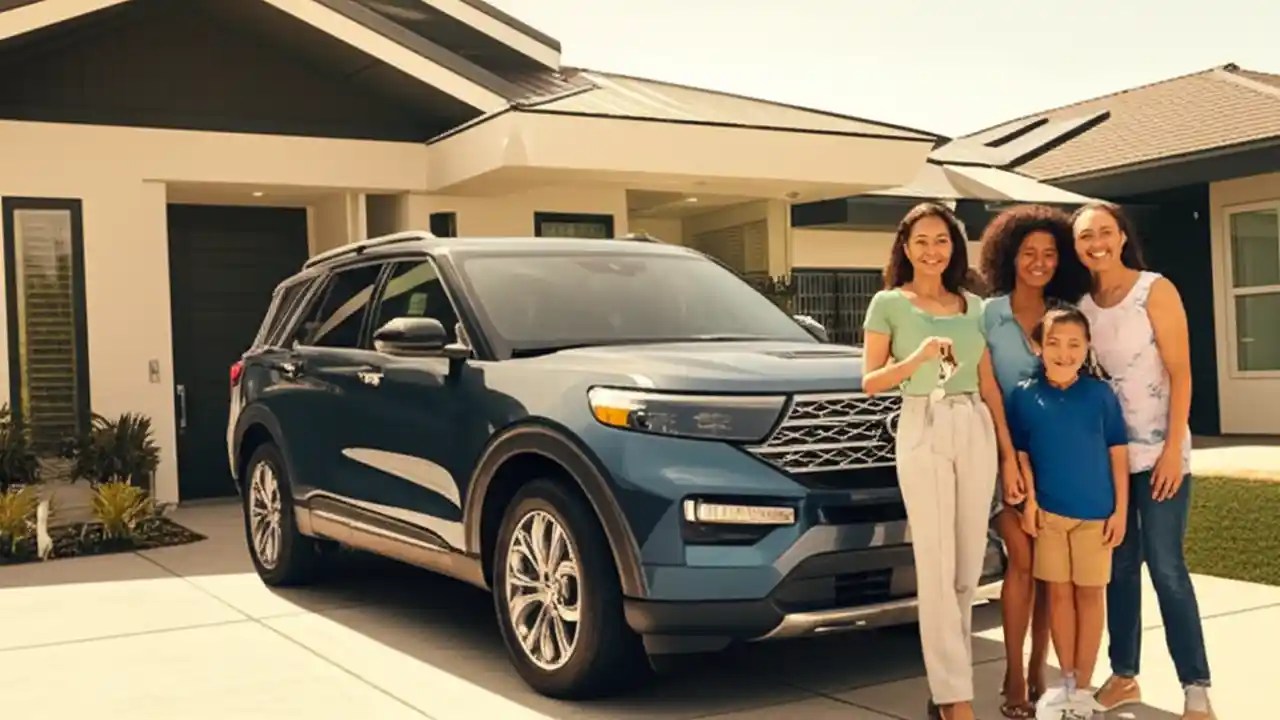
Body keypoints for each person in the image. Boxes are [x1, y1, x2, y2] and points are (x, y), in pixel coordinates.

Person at [861, 202, 1018, 720]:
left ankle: (946, 686)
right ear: (906, 248)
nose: (933, 251)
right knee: (935, 563)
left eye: (942, 240)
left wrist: (1009, 455)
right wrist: (919, 357)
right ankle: (956, 701)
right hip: (923, 421)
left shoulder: (974, 306)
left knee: (967, 567)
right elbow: (870, 381)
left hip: (973, 422)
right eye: (922, 241)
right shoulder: (889, 302)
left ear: (955, 247)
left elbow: (989, 383)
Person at [1071, 202, 1215, 720]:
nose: (1097, 243)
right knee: (1119, 568)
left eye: (1104, 232)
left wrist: (1174, 450)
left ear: (1121, 237)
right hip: (1110, 461)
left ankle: (1196, 687)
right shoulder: (1082, 308)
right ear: (1077, 247)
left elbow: (1182, 372)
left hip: (1160, 455)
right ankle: (1124, 675)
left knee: (1167, 566)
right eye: (1086, 236)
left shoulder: (1155, 290)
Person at [977, 204, 1092, 718]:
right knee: (1023, 560)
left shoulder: (1065, 315)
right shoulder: (987, 315)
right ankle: (1014, 676)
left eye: (1049, 253)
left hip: (1055, 461)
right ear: (1009, 255)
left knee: (1050, 570)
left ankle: (1038, 669)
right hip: (1001, 456)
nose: (1039, 262)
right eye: (1029, 252)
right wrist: (1008, 458)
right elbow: (984, 390)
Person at [1005, 307, 1129, 718]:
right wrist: (1029, 503)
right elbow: (1021, 455)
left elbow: (1117, 455)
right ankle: (1069, 682)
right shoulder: (1024, 396)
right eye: (1054, 343)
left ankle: (1084, 690)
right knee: (1058, 595)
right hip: (1049, 518)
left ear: (1087, 347)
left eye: (1075, 344)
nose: (1064, 352)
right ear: (1038, 347)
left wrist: (1120, 511)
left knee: (1090, 595)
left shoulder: (1100, 395)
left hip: (1096, 516)